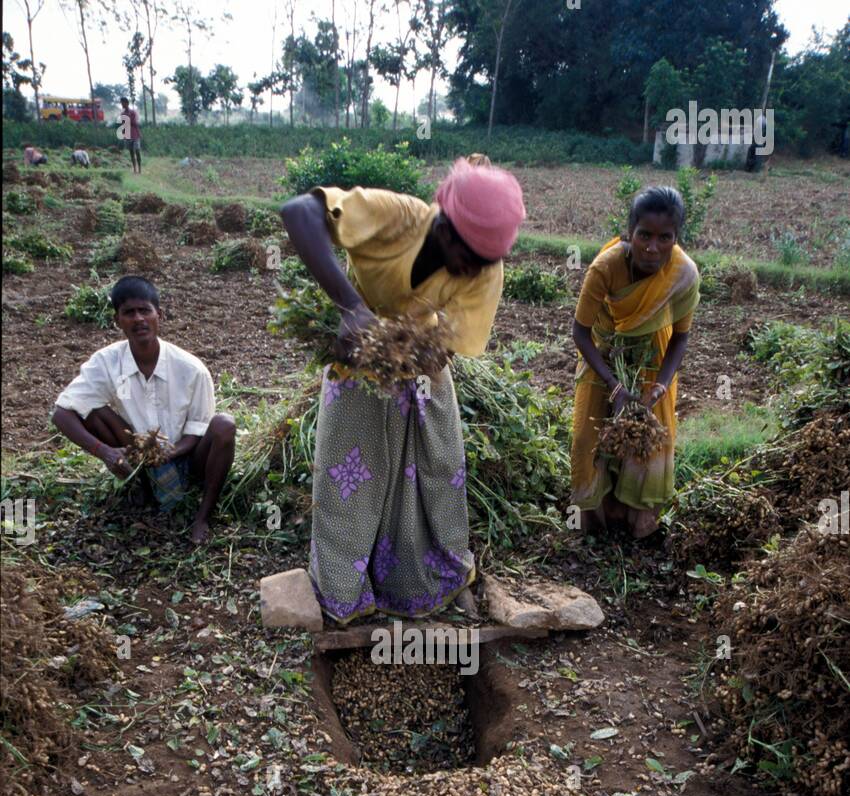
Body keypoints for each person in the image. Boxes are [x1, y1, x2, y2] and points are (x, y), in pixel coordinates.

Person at [280, 154, 526, 624]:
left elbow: (447, 347)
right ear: (446, 227)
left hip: (422, 368)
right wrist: (351, 308)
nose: (474, 271)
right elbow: (298, 212)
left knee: (434, 471)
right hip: (356, 367)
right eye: (469, 258)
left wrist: (404, 353)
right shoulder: (399, 217)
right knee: (351, 477)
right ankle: (344, 591)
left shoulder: (487, 269)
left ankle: (416, 584)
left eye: (485, 263)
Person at [52, 275, 235, 545]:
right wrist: (103, 451)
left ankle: (202, 517)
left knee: (224, 425)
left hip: (188, 457)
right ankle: (142, 488)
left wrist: (170, 452)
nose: (138, 319)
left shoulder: (190, 369)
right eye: (128, 313)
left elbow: (197, 432)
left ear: (158, 315)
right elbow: (61, 413)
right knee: (89, 409)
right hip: (137, 458)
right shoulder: (106, 362)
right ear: (117, 321)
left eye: (144, 311)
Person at [570, 185, 700, 540]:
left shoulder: (684, 274)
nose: (651, 247)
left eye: (664, 237)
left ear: (676, 238)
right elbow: (580, 333)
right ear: (630, 232)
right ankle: (594, 521)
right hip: (605, 354)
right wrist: (614, 385)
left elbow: (681, 337)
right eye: (644, 235)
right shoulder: (605, 267)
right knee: (588, 437)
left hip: (651, 360)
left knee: (649, 441)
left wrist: (659, 386)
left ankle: (637, 523)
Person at [119, 97, 142, 173]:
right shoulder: (123, 114)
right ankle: (135, 169)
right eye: (121, 103)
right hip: (128, 135)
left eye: (123, 103)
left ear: (127, 103)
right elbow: (123, 124)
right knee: (131, 152)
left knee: (137, 151)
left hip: (135, 134)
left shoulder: (132, 112)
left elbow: (135, 123)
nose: (122, 104)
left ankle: (139, 169)